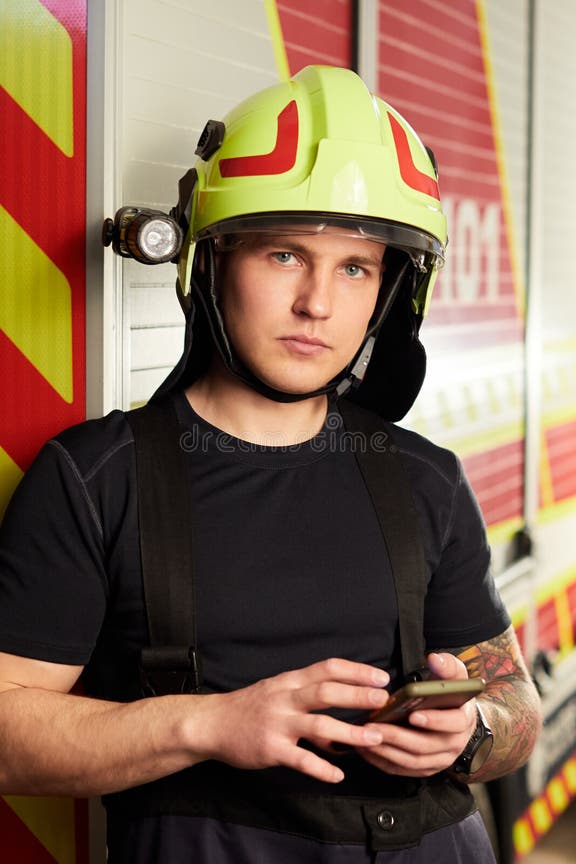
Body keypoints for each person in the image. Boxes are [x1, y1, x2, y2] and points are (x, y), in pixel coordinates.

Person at [0, 65, 541, 863]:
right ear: (211, 263)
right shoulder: (94, 479)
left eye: (355, 267)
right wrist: (210, 723)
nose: (318, 303)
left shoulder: (424, 477)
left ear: (390, 294)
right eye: (285, 255)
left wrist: (472, 733)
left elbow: (514, 701)